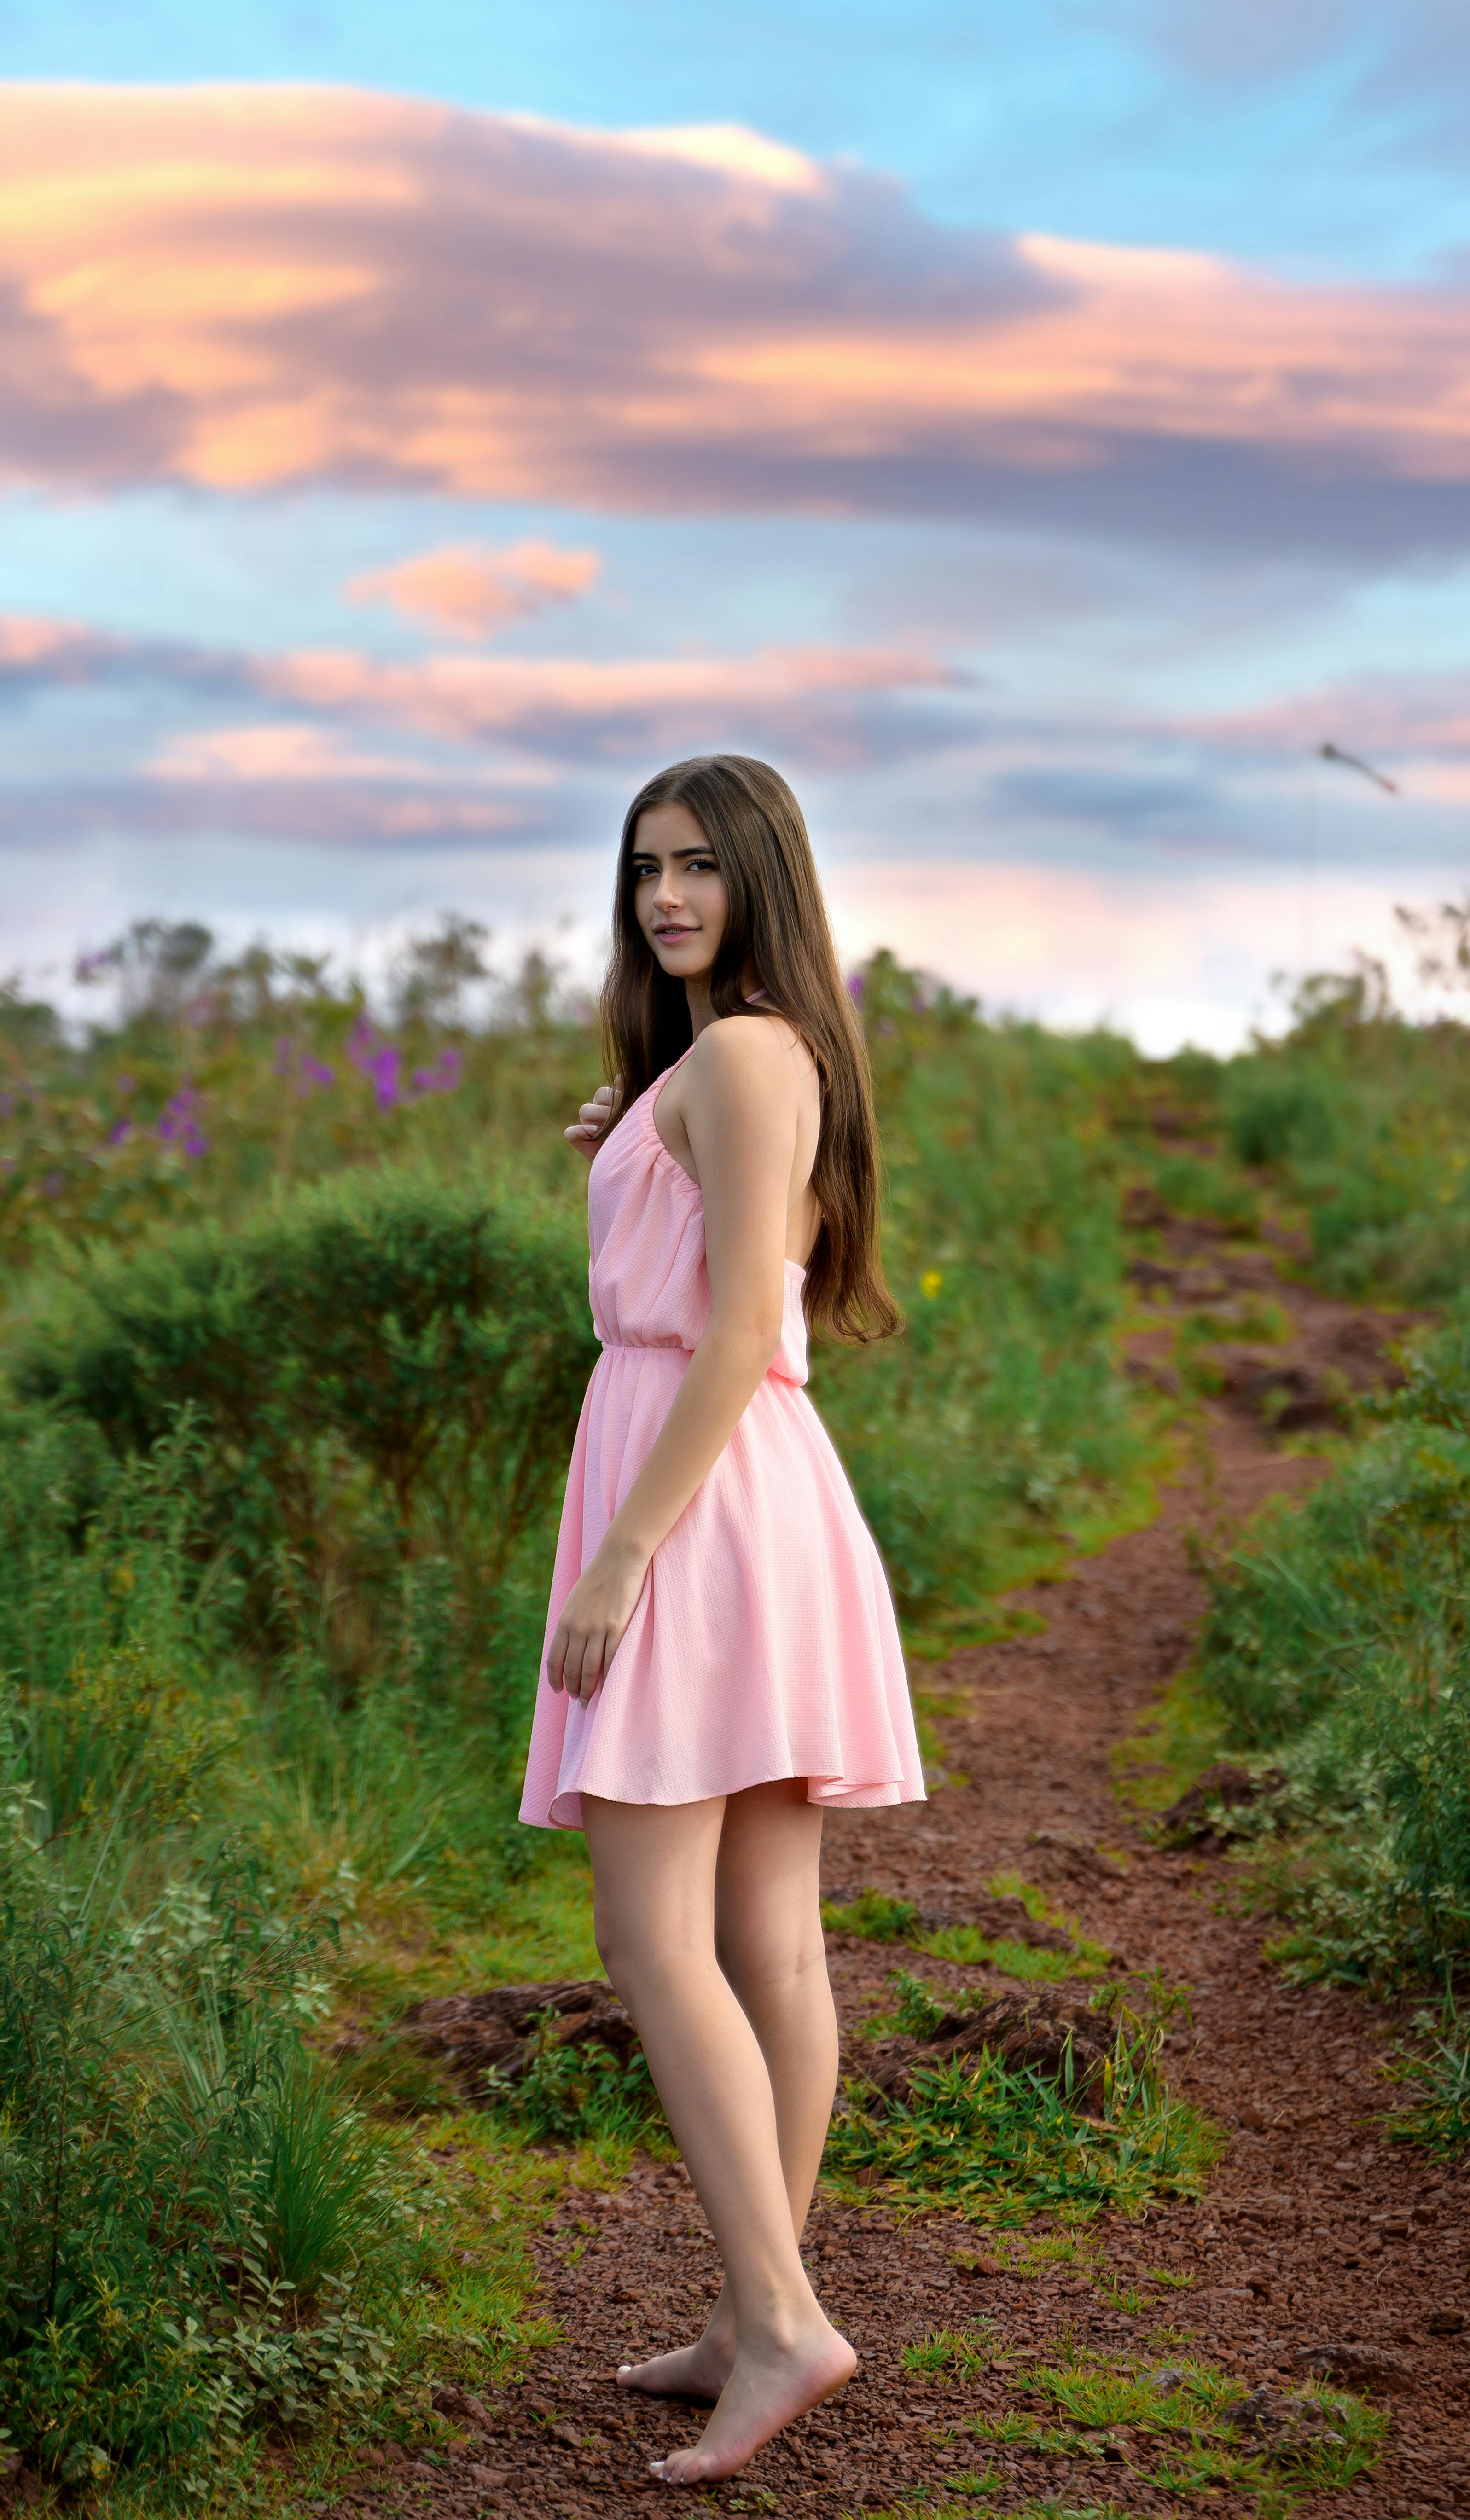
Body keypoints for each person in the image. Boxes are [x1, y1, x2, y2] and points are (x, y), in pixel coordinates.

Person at [518, 755, 924, 2486]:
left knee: (656, 1938)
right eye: (643, 871)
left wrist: (618, 1559)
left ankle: (778, 2317)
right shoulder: (733, 1063)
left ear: (764, 877)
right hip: (742, 1489)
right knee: (767, 1940)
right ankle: (753, 2306)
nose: (668, 897)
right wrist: (636, 1141)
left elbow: (744, 1332)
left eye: (699, 866)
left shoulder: (749, 1056)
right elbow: (720, 1265)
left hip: (697, 1500)